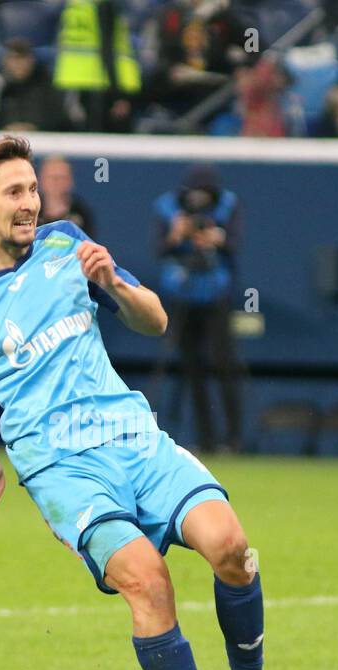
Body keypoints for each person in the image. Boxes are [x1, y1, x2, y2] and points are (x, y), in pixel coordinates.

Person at [0, 136, 320, 670]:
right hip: (60, 469)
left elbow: (155, 320)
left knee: (232, 547)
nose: (30, 204)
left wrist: (110, 280)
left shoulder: (66, 244)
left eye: (33, 191)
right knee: (148, 579)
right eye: (14, 192)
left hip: (133, 438)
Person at [153, 164, 243, 455]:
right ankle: (204, 439)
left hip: (216, 294)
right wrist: (176, 235)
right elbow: (160, 250)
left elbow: (234, 245)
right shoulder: (168, 209)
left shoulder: (229, 205)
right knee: (192, 370)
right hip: (184, 292)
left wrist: (219, 240)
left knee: (225, 365)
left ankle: (233, 439)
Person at [53, 0, 140, 132]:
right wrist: (118, 95)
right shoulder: (103, 5)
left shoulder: (74, 5)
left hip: (71, 78)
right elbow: (107, 49)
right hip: (99, 83)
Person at [0, 38, 71, 132]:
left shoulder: (48, 86)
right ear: (5, 62)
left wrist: (34, 127)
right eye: (14, 59)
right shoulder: (2, 88)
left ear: (32, 60)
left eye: (23, 58)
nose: (19, 64)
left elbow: (60, 120)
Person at [35, 154, 95, 236]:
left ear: (70, 181)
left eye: (62, 178)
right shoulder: (32, 212)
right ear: (41, 180)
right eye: (52, 178)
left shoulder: (80, 214)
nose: (56, 183)